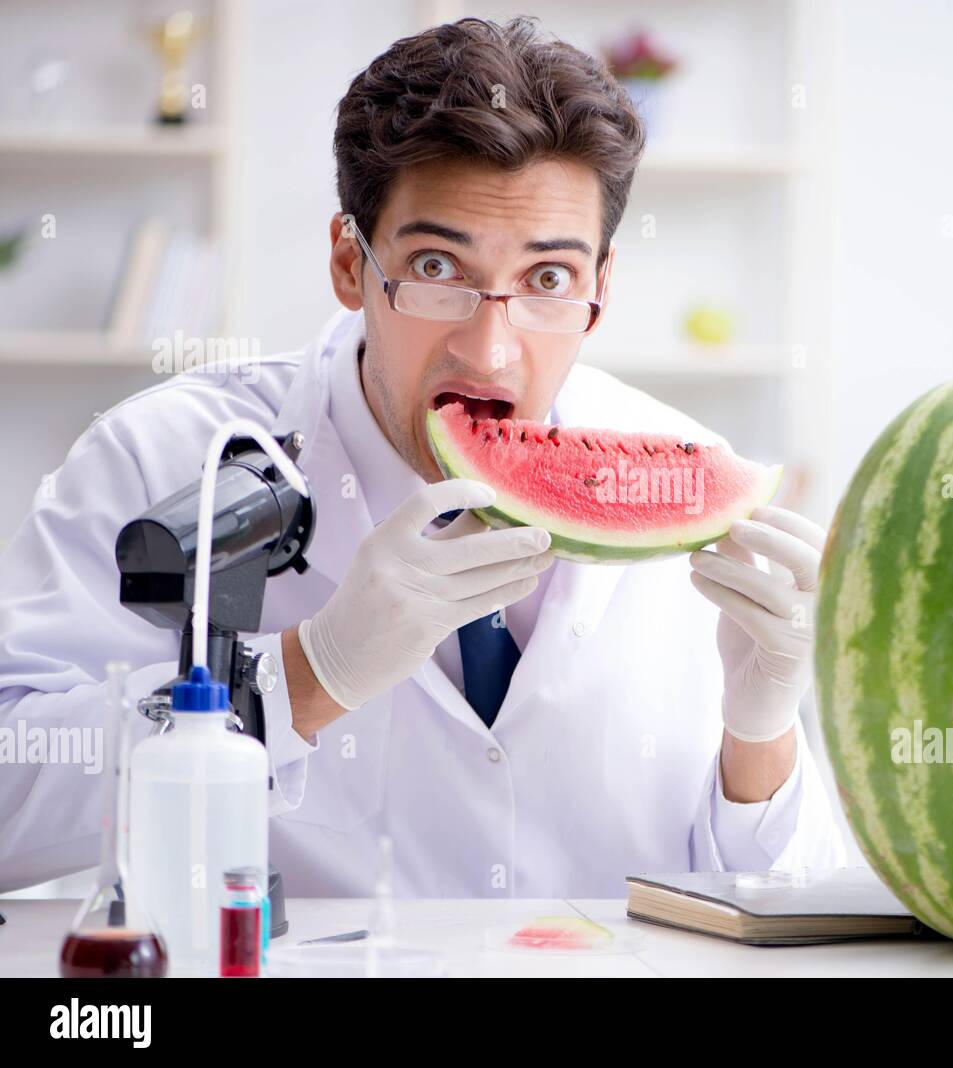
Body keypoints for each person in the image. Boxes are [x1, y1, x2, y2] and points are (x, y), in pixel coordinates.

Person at [0, 17, 845, 897]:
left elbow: (801, 908)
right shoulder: (164, 455)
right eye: (437, 266)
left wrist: (763, 734)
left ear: (602, 286)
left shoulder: (682, 475)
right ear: (349, 262)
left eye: (548, 279)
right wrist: (303, 677)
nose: (490, 351)